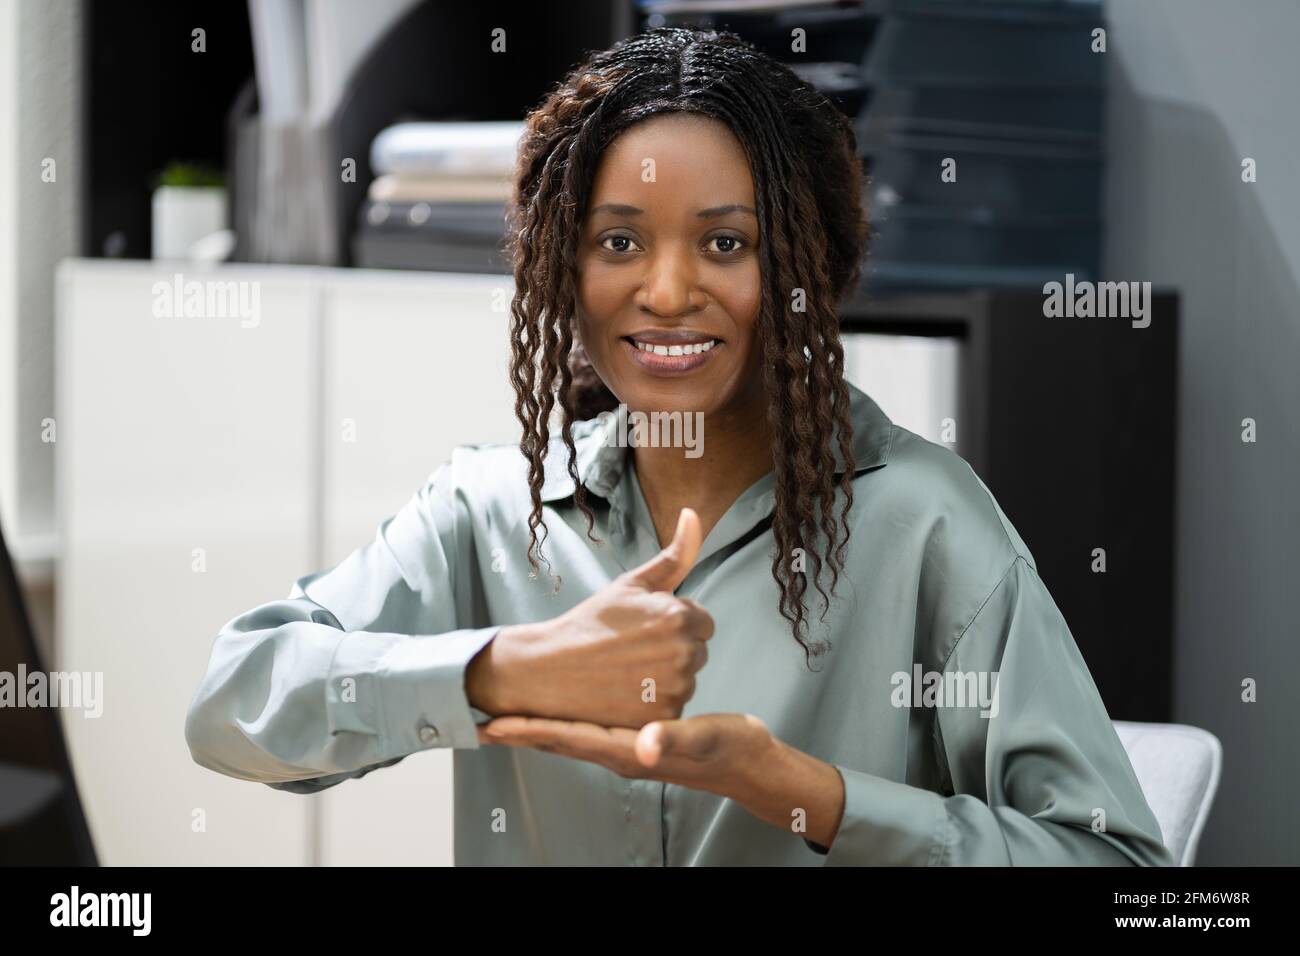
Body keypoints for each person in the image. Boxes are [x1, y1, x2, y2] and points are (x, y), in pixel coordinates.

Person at [184, 27, 1172, 866]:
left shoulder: (927, 522)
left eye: (725, 243)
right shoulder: (489, 509)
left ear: (803, 262)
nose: (664, 290)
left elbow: (1121, 869)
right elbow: (232, 703)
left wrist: (801, 790)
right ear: (563, 265)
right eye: (618, 241)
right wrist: (502, 668)